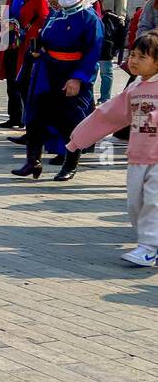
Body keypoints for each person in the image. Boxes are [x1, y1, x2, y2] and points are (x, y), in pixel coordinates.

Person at [67, 32, 158, 267]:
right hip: (138, 156)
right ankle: (148, 242)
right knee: (135, 203)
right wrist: (79, 139)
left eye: (142, 57)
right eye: (132, 55)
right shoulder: (134, 89)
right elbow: (107, 115)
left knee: (154, 202)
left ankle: (149, 248)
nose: (133, 60)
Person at [12, 0, 104, 182]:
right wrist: (37, 52)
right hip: (47, 72)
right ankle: (32, 161)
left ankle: (70, 164)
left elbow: (92, 52)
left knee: (70, 121)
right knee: (37, 118)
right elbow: (45, 40)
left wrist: (78, 79)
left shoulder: (89, 18)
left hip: (71, 75)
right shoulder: (55, 15)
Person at [0, 0, 49, 129]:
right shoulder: (11, 0)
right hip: (11, 45)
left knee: (25, 84)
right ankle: (15, 117)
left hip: (27, 47)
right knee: (11, 84)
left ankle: (30, 120)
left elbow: (44, 19)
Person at [94, 0, 129, 102]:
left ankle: (104, 100)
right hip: (92, 31)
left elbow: (121, 15)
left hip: (108, 33)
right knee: (90, 67)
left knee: (106, 69)